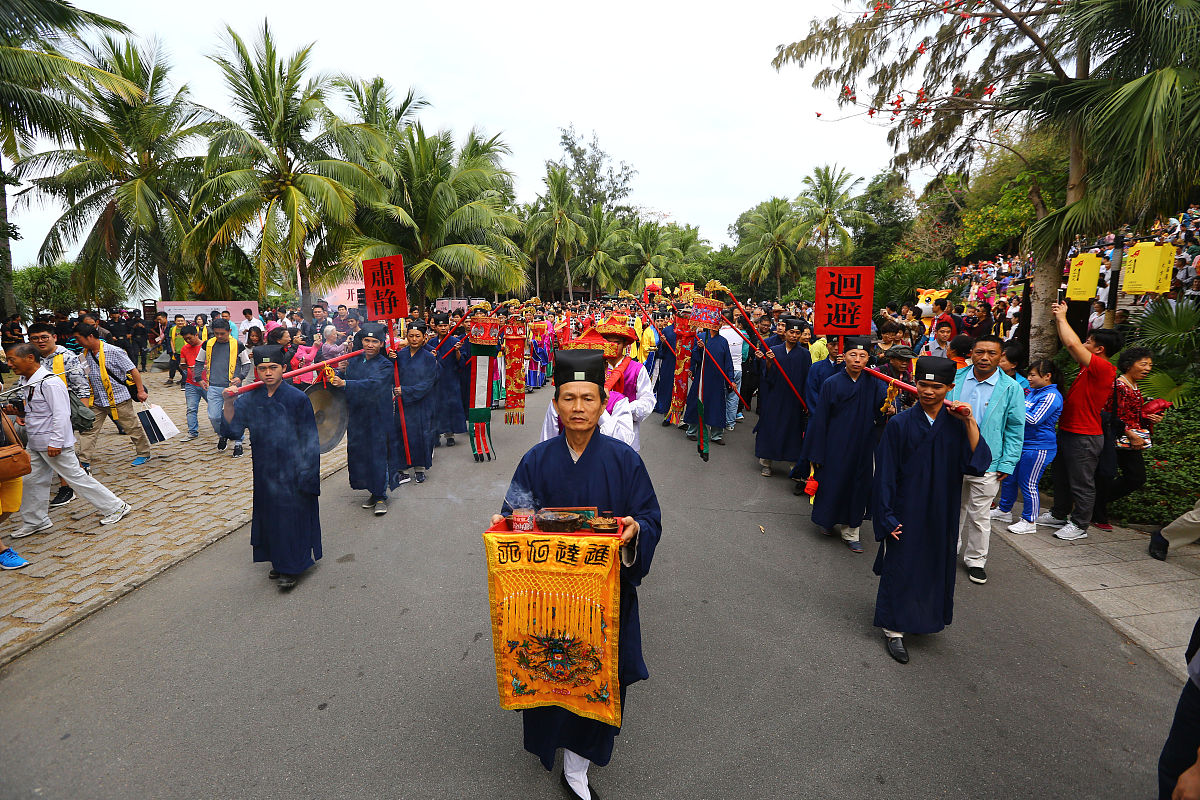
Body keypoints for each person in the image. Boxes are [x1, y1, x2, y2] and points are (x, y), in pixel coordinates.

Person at [492, 347, 661, 800]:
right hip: (546, 599)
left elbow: (649, 517)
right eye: (569, 398)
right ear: (555, 404)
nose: (579, 407)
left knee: (598, 676)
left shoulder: (624, 460)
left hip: (603, 600)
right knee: (548, 670)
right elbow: (513, 514)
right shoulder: (536, 459)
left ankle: (578, 766)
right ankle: (553, 744)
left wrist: (636, 530)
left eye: (588, 397)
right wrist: (505, 525)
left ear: (603, 403)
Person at [872, 356, 991, 664]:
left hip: (942, 507)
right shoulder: (900, 424)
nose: (928, 391)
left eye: (936, 387)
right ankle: (893, 628)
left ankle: (921, 618)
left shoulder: (956, 424)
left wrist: (970, 421)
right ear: (915, 384)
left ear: (950, 387)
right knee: (902, 565)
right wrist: (886, 517)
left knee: (934, 565)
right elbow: (884, 474)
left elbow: (978, 462)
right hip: (905, 507)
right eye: (923, 385)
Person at [221, 345, 322, 591]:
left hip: (294, 467)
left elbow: (310, 439)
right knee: (271, 517)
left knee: (291, 517)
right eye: (263, 368)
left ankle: (292, 566)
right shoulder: (250, 399)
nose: (268, 373)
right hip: (265, 468)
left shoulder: (297, 398)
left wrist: (308, 474)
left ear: (284, 368)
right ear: (256, 370)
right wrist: (229, 402)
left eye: (273, 367)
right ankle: (279, 559)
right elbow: (233, 430)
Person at [8, 343, 132, 538]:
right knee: (31, 481)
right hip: (36, 442)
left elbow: (61, 414)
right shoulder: (26, 381)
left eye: (12, 360)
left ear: (30, 358)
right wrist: (21, 413)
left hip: (53, 443)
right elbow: (38, 411)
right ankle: (36, 521)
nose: (9, 364)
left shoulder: (50, 382)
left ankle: (116, 507)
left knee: (77, 478)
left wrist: (56, 442)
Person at [1040, 303, 1123, 540]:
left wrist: (1062, 317)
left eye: (1089, 342)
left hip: (1084, 436)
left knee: (1081, 482)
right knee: (1061, 477)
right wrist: (1058, 320)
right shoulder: (1087, 367)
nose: (1083, 345)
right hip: (1069, 431)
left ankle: (1080, 524)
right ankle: (1059, 513)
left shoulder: (1104, 368)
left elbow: (1072, 344)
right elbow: (1072, 345)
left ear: (1099, 349)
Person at [800, 337, 889, 553]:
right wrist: (817, 451)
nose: (857, 360)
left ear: (868, 358)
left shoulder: (875, 383)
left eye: (862, 356)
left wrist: (888, 407)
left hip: (863, 445)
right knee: (832, 483)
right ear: (845, 356)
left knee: (858, 487)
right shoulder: (832, 383)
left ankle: (851, 532)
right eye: (853, 355)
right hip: (835, 444)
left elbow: (880, 412)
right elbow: (821, 420)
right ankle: (827, 520)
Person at [948, 335, 1025, 585]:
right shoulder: (955, 378)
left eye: (992, 353)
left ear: (1001, 357)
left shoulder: (1010, 388)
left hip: (989, 460)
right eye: (979, 352)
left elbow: (1015, 428)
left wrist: (1008, 462)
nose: (984, 358)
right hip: (953, 457)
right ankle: (948, 551)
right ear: (971, 353)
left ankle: (976, 560)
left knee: (980, 515)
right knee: (952, 508)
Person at [328, 323, 399, 515]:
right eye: (366, 340)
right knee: (361, 454)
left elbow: (373, 385)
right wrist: (340, 372)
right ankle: (373, 492)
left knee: (378, 455)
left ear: (381, 344)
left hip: (378, 416)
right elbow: (341, 383)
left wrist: (345, 382)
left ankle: (381, 496)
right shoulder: (354, 360)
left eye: (374, 341)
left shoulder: (386, 364)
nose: (370, 345)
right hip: (357, 415)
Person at [1093, 346, 1163, 530]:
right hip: (1115, 437)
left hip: (1129, 440)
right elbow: (1107, 414)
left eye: (1150, 365)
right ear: (1128, 364)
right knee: (1108, 475)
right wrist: (1130, 433)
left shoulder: (1135, 386)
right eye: (1143, 364)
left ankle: (1093, 503)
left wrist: (1150, 418)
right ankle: (1096, 512)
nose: (1148, 368)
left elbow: (1131, 414)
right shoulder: (1118, 386)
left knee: (1135, 477)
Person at [996, 360, 1064, 534]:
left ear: (1047, 376)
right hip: (1022, 443)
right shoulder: (1033, 392)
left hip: (1039, 447)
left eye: (1033, 375)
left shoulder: (1051, 395)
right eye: (1029, 375)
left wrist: (1011, 406)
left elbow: (1034, 419)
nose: (1029, 378)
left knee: (1028, 484)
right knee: (1009, 478)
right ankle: (1004, 511)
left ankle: (1029, 521)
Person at [73, 323, 152, 468]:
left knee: (131, 427)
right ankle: (84, 460)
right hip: (97, 400)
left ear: (90, 336)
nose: (77, 342)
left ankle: (143, 452)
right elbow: (86, 375)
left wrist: (140, 391)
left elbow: (133, 370)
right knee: (89, 430)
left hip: (118, 399)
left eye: (78, 338)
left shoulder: (114, 351)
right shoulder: (83, 355)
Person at [752, 317, 811, 478]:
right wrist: (769, 362)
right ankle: (766, 462)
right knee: (771, 427)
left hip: (794, 399)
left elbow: (807, 378)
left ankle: (793, 464)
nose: (794, 336)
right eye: (791, 332)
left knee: (792, 431)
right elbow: (766, 375)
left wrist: (805, 401)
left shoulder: (805, 354)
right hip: (775, 396)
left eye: (797, 333)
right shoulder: (774, 350)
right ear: (785, 332)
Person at [194, 319, 252, 458]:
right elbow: (199, 362)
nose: (219, 336)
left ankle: (238, 443)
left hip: (233, 387)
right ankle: (223, 435)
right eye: (216, 333)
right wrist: (199, 378)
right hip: (214, 386)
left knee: (235, 416)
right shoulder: (208, 344)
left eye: (222, 333)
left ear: (229, 331)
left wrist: (240, 377)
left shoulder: (237, 345)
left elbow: (246, 364)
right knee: (214, 416)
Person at [596, 318, 655, 451]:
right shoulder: (594, 366)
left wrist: (624, 409)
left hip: (626, 429)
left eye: (617, 343)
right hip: (596, 428)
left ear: (624, 345)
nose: (612, 346)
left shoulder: (637, 369)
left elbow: (648, 400)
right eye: (608, 342)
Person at [393, 322, 438, 484]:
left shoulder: (429, 357)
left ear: (424, 337)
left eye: (417, 336)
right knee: (401, 434)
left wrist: (405, 390)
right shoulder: (400, 355)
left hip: (421, 401)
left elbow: (428, 382)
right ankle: (403, 469)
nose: (414, 339)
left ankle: (419, 468)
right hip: (403, 403)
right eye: (411, 336)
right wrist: (390, 359)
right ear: (406, 337)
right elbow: (392, 375)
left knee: (420, 435)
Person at [682, 327, 734, 447]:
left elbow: (728, 362)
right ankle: (691, 431)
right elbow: (694, 358)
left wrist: (730, 379)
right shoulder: (700, 337)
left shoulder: (723, 341)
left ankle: (717, 435)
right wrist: (699, 349)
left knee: (716, 405)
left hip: (717, 379)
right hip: (702, 377)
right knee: (696, 403)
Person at [427, 313, 467, 447]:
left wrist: (457, 351)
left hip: (450, 378)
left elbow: (461, 362)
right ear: (435, 327)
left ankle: (450, 434)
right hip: (435, 380)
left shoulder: (454, 341)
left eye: (445, 325)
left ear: (449, 326)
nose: (443, 328)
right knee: (436, 407)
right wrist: (431, 357)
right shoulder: (431, 343)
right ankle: (436, 435)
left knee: (450, 406)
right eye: (440, 326)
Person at [177, 326, 205, 439]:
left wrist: (202, 367)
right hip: (191, 383)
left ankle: (223, 429)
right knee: (191, 408)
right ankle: (192, 431)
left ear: (196, 335)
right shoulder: (185, 348)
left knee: (215, 409)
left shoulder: (206, 346)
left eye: (190, 338)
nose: (188, 341)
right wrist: (183, 366)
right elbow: (182, 363)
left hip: (206, 382)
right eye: (186, 339)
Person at [651, 316, 678, 418]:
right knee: (667, 388)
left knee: (680, 391)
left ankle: (680, 417)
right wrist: (663, 343)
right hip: (668, 363)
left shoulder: (688, 331)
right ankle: (667, 415)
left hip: (682, 364)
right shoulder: (667, 330)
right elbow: (661, 351)